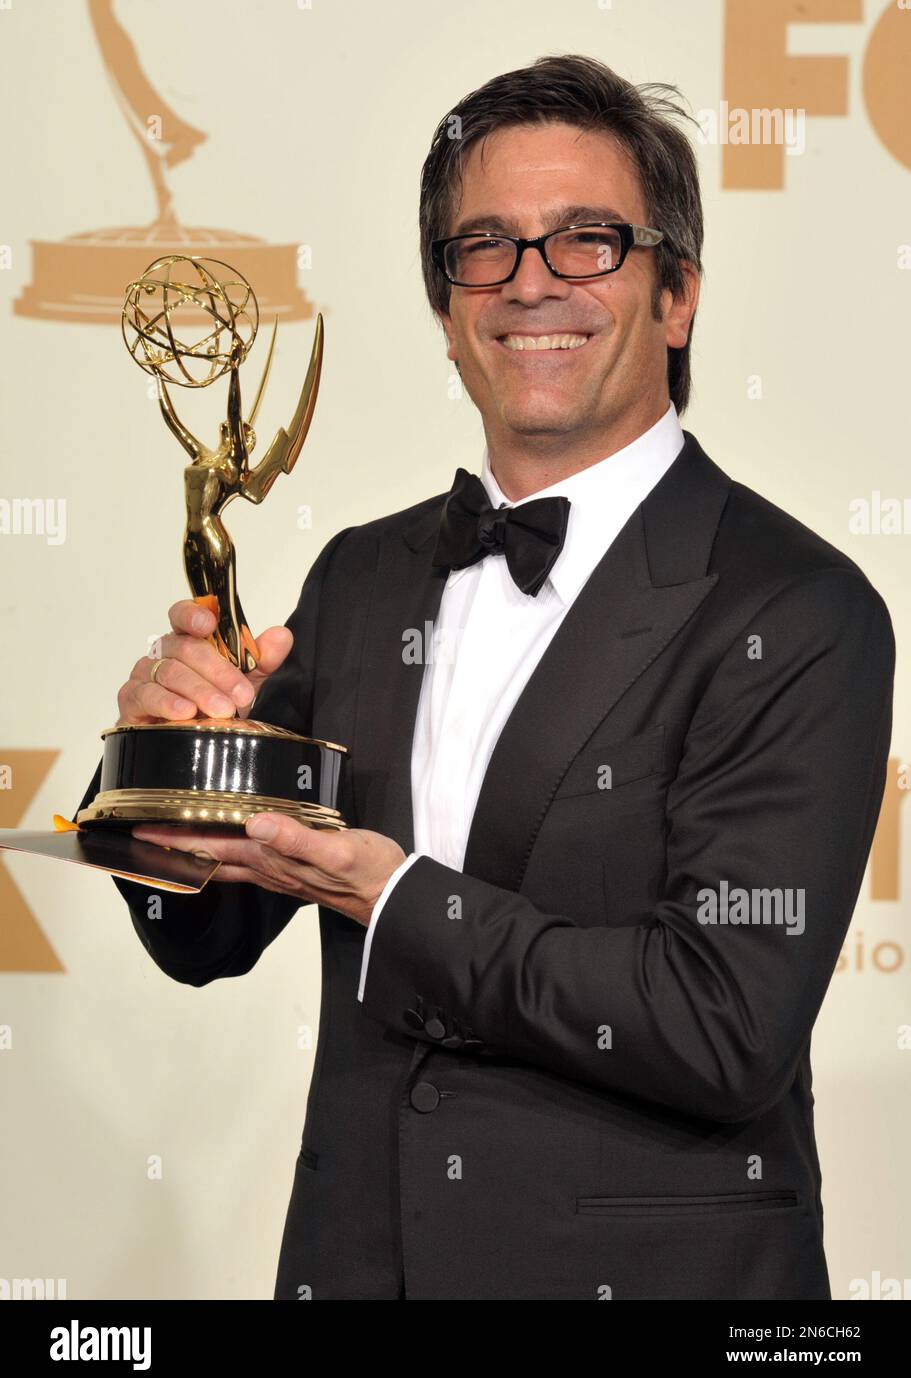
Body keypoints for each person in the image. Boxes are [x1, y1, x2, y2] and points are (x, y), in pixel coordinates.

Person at [77, 54, 894, 1300]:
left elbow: (722, 1025)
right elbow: (208, 930)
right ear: (447, 310)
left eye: (586, 242)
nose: (531, 284)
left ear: (674, 295)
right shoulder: (362, 577)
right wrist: (168, 770)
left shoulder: (796, 609)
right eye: (487, 247)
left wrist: (396, 899)